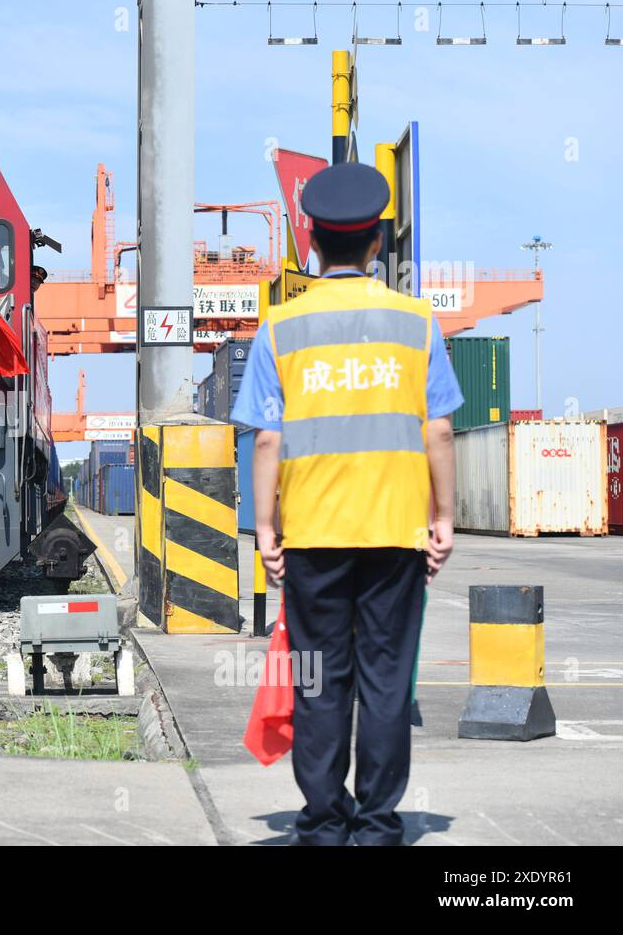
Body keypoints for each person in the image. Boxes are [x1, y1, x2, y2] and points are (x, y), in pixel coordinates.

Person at [230, 162, 464, 846]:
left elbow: (268, 437)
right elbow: (439, 430)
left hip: (313, 535)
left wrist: (265, 529)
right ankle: (380, 824)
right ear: (376, 243)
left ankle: (323, 822)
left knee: (318, 680)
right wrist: (442, 518)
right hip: (395, 531)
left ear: (311, 237)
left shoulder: (280, 327)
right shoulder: (417, 323)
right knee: (386, 680)